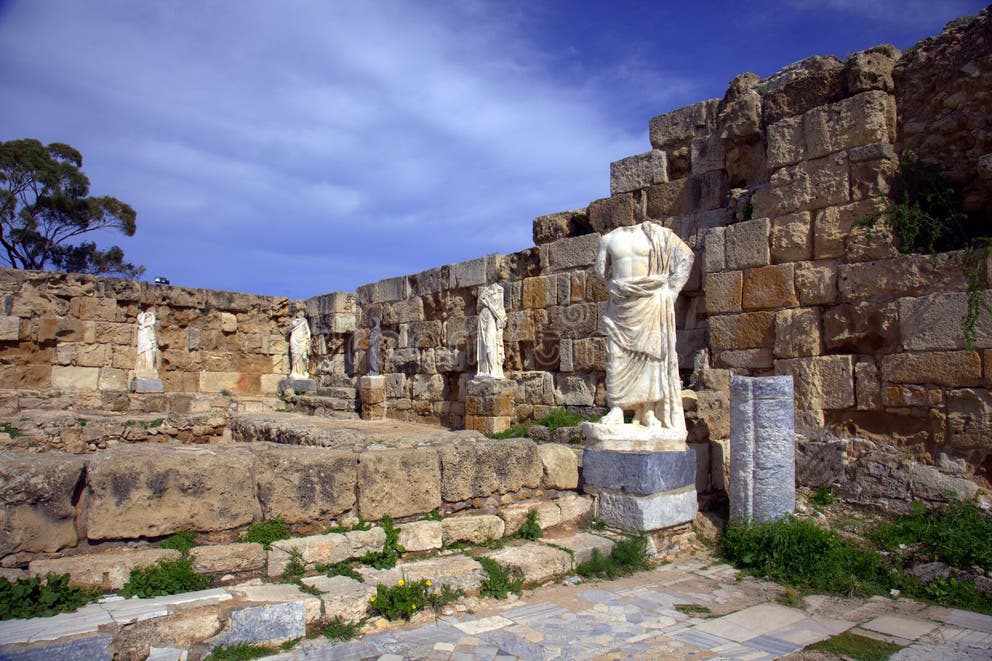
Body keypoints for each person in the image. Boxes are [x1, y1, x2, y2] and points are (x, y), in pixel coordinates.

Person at [595, 221, 693, 431]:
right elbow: (600, 271)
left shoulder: (659, 235)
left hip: (651, 301)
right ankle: (617, 409)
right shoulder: (608, 239)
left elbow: (686, 256)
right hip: (623, 304)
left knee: (651, 355)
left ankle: (647, 410)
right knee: (617, 355)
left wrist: (671, 291)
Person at [476, 283, 506, 378]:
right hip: (482, 317)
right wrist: (483, 302)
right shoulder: (484, 291)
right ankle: (484, 370)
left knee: (490, 344)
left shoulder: (499, 290)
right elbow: (478, 307)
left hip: (491, 317)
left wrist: (488, 304)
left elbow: (500, 309)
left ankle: (493, 370)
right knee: (482, 346)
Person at [135, 310, 158, 378]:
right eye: (147, 319)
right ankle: (142, 369)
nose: (149, 320)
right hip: (144, 344)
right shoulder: (142, 329)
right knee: (143, 352)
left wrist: (151, 315)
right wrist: (144, 315)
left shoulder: (151, 328)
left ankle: (149, 369)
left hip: (149, 344)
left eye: (149, 319)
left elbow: (153, 322)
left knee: (151, 352)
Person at [289, 315, 312, 379]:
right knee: (295, 355)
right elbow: (289, 329)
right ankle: (295, 371)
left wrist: (308, 340)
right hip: (294, 339)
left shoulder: (304, 320)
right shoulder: (294, 322)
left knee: (303, 356)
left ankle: (301, 372)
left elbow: (308, 332)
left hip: (302, 340)